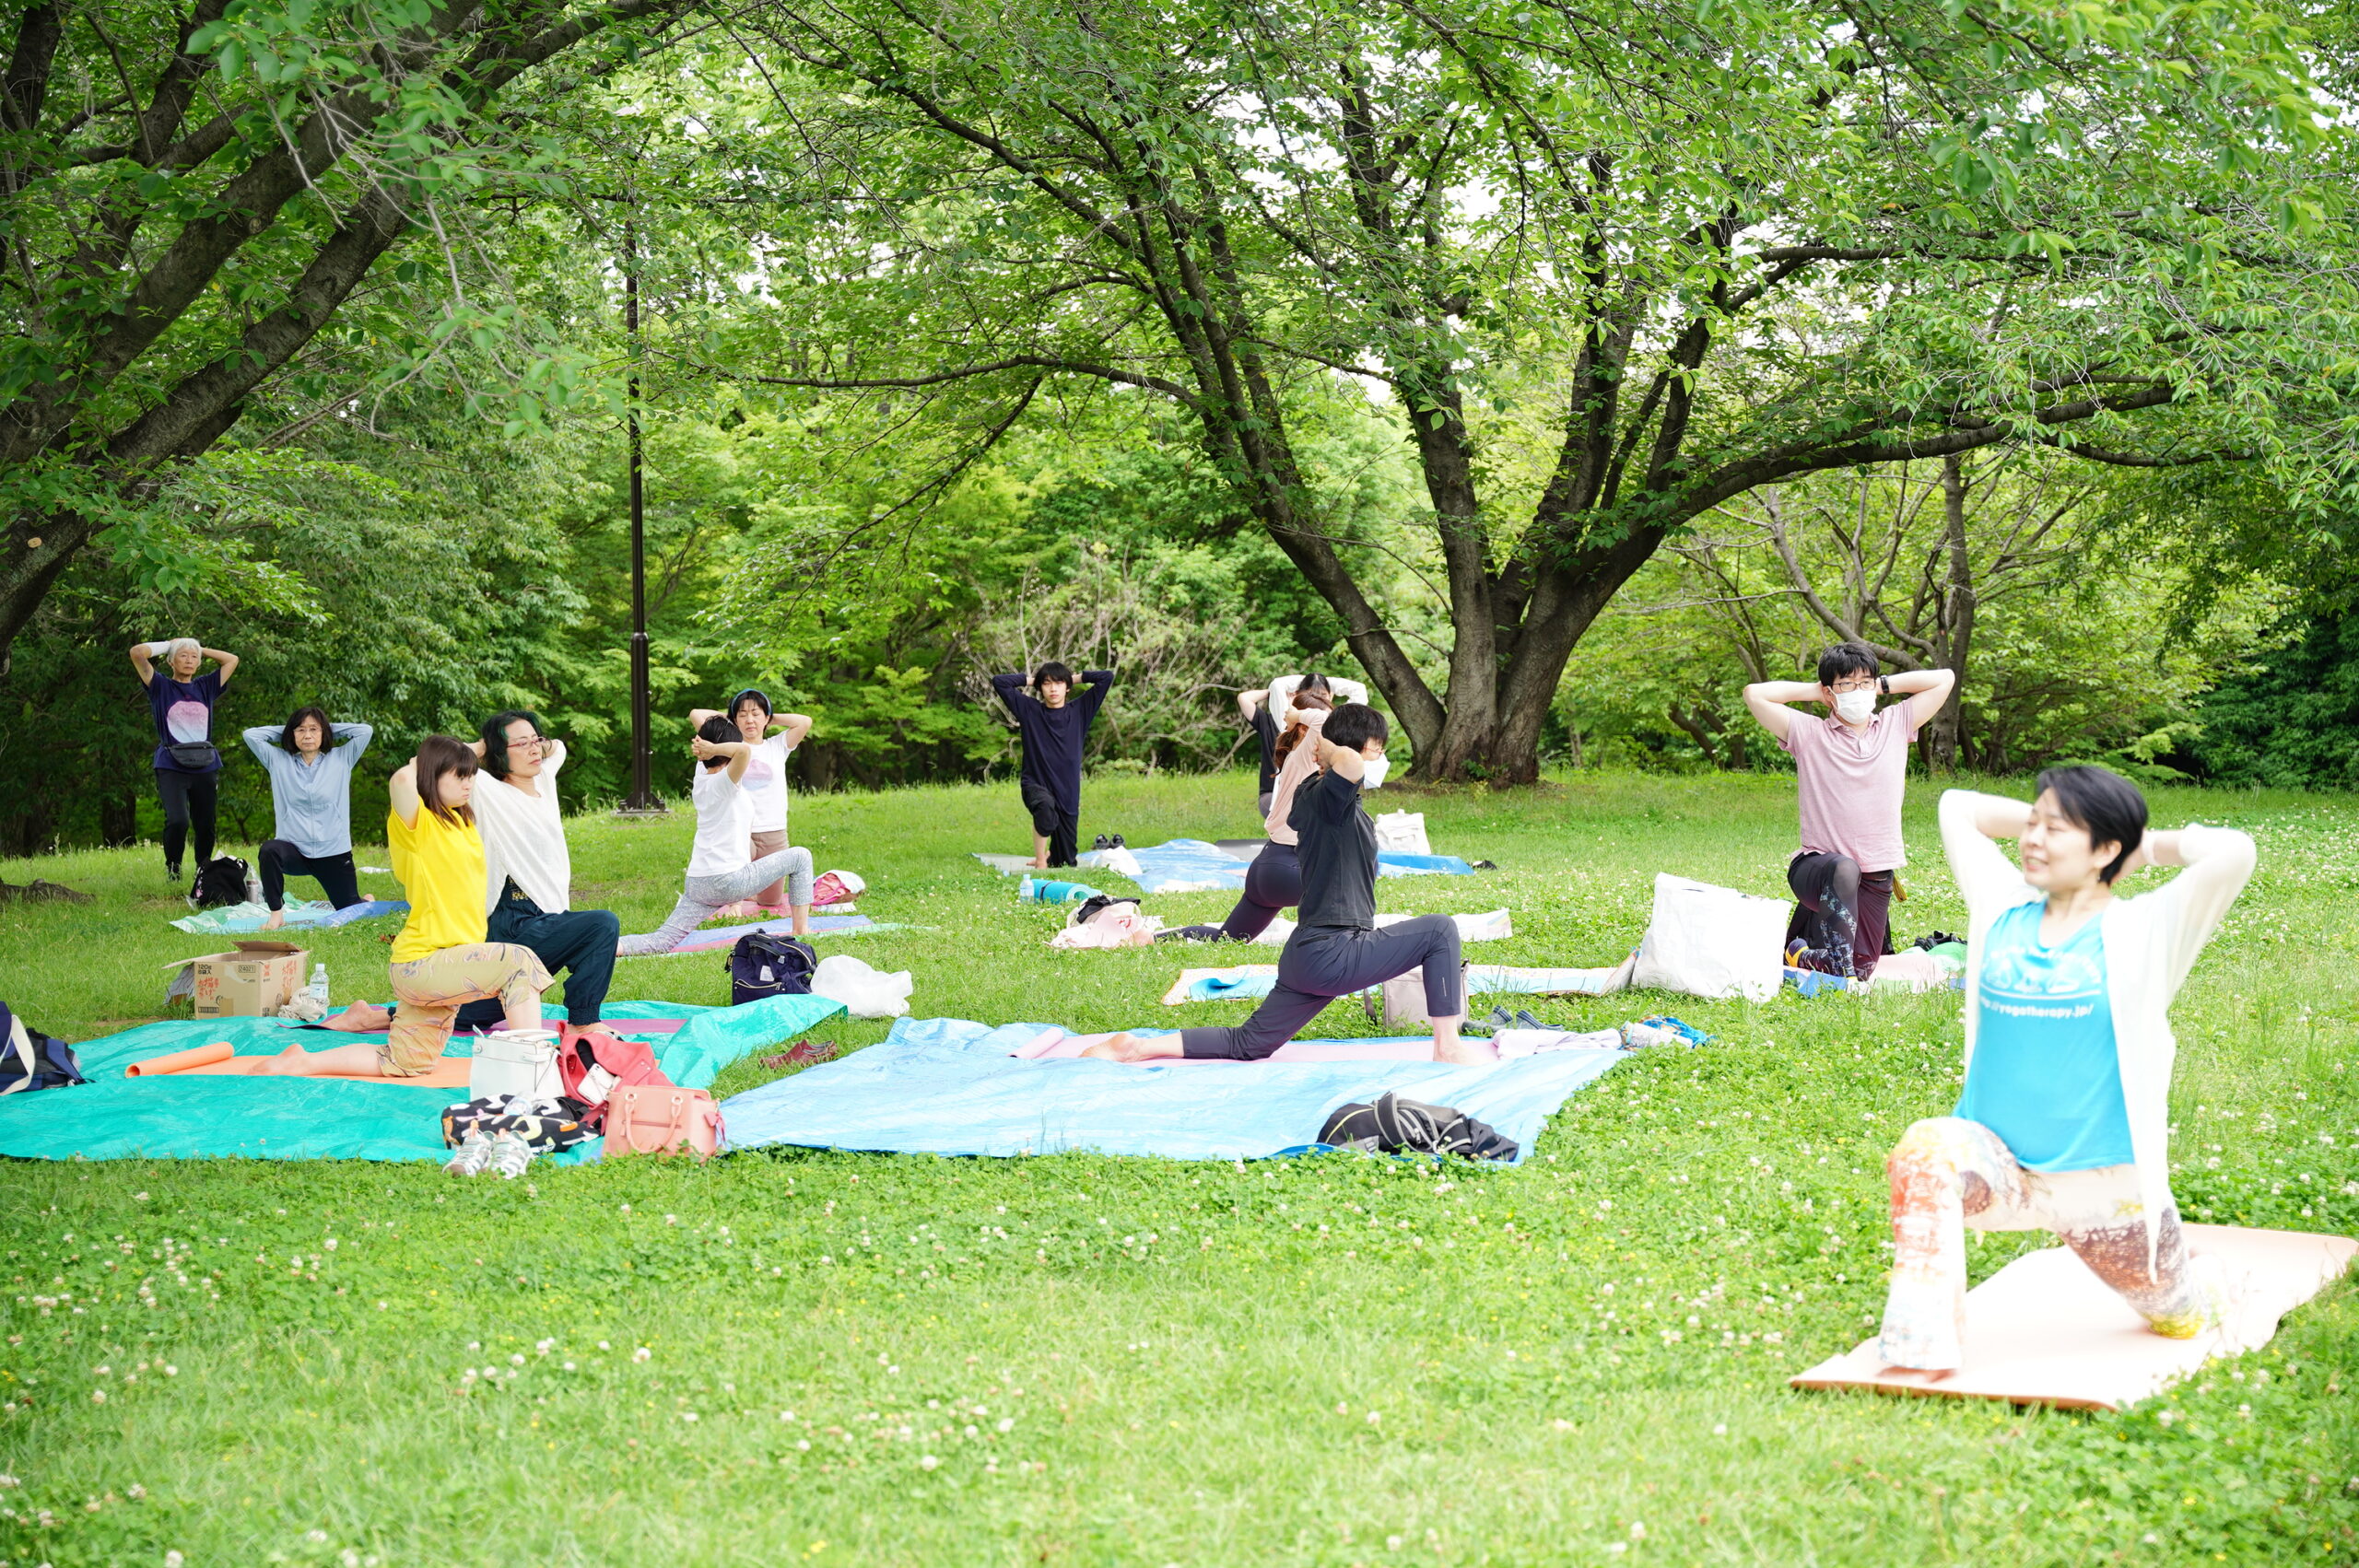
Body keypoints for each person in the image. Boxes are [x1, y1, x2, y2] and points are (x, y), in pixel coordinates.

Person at [1875, 766, 2255, 1373]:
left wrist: (2142, 847)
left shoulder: (2146, 929)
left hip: (2105, 1191)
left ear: (2105, 850)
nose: (2032, 839)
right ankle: (1922, 1346)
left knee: (2179, 1317)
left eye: (2056, 830)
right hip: (2001, 1168)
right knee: (1927, 1148)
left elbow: (2234, 853)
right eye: (2032, 823)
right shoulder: (2002, 906)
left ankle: (2201, 1278)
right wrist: (2053, 820)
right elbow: (1956, 807)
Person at [1083, 703, 1478, 1064]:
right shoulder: (1331, 799)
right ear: (1354, 748)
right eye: (1377, 749)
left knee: (1249, 1043)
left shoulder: (1319, 796)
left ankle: (1137, 1047)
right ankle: (1447, 1048)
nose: (1381, 759)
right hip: (1335, 950)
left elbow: (1349, 769)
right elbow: (1351, 764)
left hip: (1308, 955)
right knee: (1439, 930)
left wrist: (1330, 750)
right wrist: (1327, 746)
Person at [265, 736, 552, 1078]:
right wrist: (452, 752)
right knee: (518, 963)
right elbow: (402, 780)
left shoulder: (461, 820)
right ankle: (532, 1069)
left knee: (406, 1063)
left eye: (470, 776)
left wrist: (462, 758)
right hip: (423, 963)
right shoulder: (418, 822)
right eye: (459, 777)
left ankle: (302, 1061)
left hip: (450, 963)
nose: (468, 784)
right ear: (431, 775)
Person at [1742, 644, 1955, 980]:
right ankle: (1842, 976)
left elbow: (1944, 679)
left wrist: (1879, 685)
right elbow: (1755, 694)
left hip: (1876, 869)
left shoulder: (1896, 724)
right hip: (1820, 868)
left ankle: (1802, 955)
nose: (1857, 691)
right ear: (1829, 693)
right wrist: (1820, 691)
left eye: (1864, 682)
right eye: (1846, 684)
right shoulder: (1809, 732)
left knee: (1865, 967)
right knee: (1845, 868)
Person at [450, 711, 620, 1036]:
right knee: (601, 925)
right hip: (514, 917)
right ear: (498, 752)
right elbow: (440, 760)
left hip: (548, 917)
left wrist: (536, 742)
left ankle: (377, 1017)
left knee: (470, 1013)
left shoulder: (543, 779)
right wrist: (486, 745)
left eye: (535, 740)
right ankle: (583, 1022)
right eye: (521, 744)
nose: (533, 750)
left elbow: (559, 748)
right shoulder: (486, 789)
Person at [616, 717, 815, 955]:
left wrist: (707, 748)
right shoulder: (725, 782)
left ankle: (610, 945)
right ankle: (801, 930)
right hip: (729, 881)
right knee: (801, 857)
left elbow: (718, 738)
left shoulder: (701, 777)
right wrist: (712, 748)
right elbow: (743, 751)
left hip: (698, 883)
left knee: (662, 940)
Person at [1168, 684, 1337, 943]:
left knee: (1227, 939)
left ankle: (1151, 938)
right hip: (1287, 867)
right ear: (1305, 729)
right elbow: (1322, 720)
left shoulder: (1301, 756)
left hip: (1268, 867)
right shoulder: (1305, 755)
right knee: (1353, 873)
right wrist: (1295, 715)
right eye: (1330, 733)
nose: (1334, 738)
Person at [241, 706, 373, 928]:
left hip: (333, 851)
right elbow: (251, 735)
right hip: (295, 851)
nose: (308, 735)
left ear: (324, 732)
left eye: (314, 729)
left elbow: (365, 731)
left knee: (351, 911)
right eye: (301, 730)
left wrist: (326, 728)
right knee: (270, 850)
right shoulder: (278, 761)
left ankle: (365, 900)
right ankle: (276, 915)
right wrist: (290, 730)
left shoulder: (342, 758)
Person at [686, 690, 813, 916]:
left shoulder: (777, 745)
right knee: (737, 874)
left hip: (773, 830)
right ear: (734, 719)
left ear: (766, 717)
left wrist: (768, 717)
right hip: (740, 831)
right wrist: (731, 717)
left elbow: (804, 722)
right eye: (742, 715)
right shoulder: (728, 746)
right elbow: (696, 714)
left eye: (755, 713)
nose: (749, 720)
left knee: (771, 902)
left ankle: (747, 891)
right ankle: (735, 899)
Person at [128, 637, 240, 884]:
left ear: (199, 663)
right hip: (171, 764)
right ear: (171, 661)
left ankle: (204, 870)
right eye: (183, 656)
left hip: (205, 764)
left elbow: (232, 660)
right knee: (178, 820)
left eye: (194, 657)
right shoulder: (160, 686)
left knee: (206, 823)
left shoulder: (206, 686)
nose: (189, 660)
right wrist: (171, 644)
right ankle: (174, 869)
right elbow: (137, 653)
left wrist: (196, 647)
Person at [990, 661, 1115, 869]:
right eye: (1047, 684)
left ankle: (1050, 856)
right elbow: (1000, 682)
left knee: (1065, 862)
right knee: (1045, 810)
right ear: (1041, 688)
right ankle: (1040, 861)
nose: (1053, 689)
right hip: (1036, 783)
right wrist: (1035, 680)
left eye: (1059, 683)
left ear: (1067, 687)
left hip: (1067, 790)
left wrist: (1071, 678)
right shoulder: (1029, 710)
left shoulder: (1081, 710)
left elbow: (1106, 676)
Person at [1238, 673, 1366, 816]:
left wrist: (1319, 680)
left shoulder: (1332, 723)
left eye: (1323, 695)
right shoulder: (1283, 721)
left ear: (1331, 695)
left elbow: (1359, 690)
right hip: (1279, 797)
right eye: (1311, 694)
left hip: (1313, 796)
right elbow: (1275, 686)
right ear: (1297, 694)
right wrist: (1308, 683)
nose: (1317, 698)